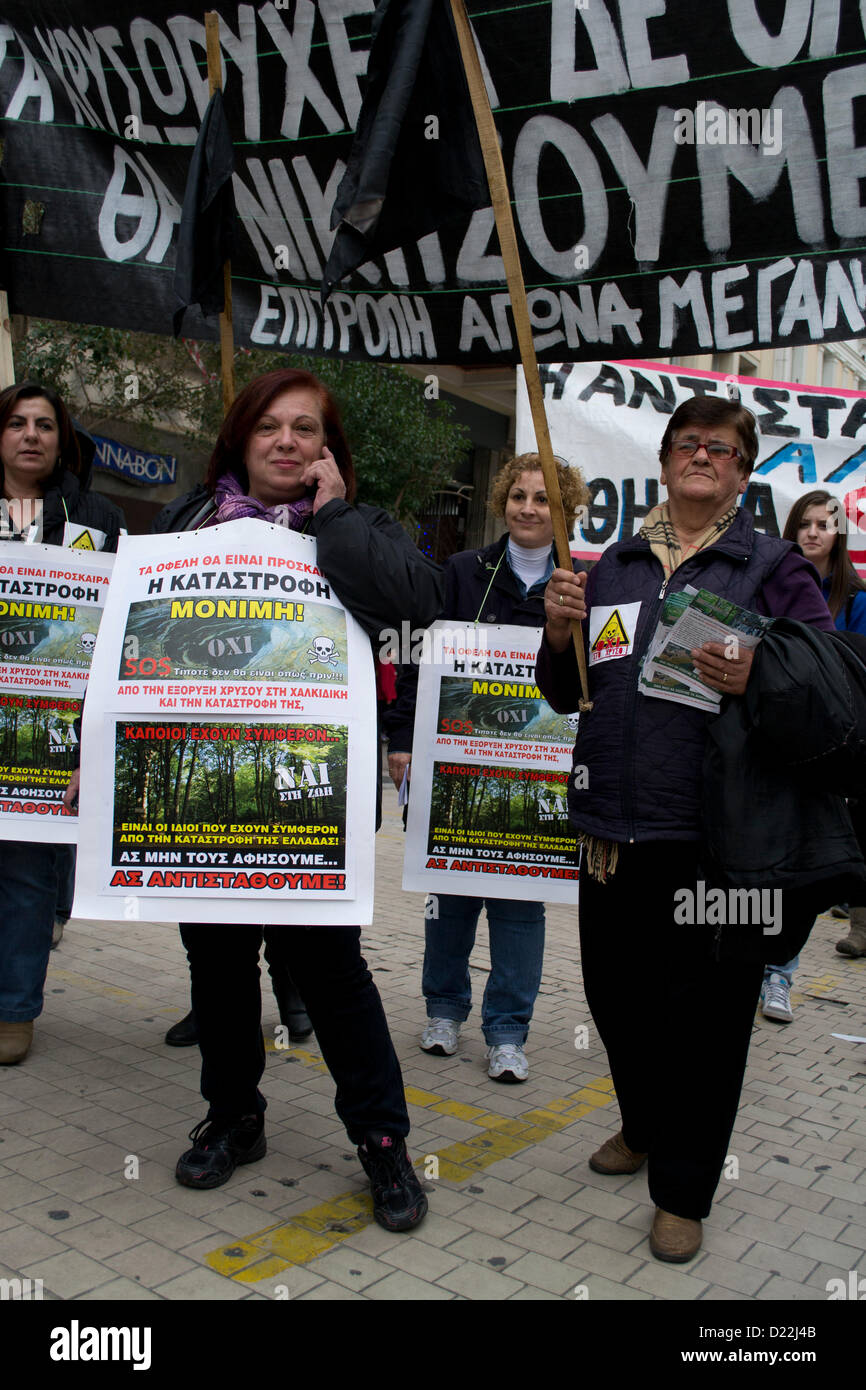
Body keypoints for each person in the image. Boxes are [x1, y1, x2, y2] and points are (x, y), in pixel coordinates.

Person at [536, 396, 835, 1263]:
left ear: (743, 472)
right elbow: (566, 693)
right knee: (617, 1003)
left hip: (720, 848)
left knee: (708, 1024)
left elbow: (821, 679)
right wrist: (560, 637)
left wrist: (759, 670)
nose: (703, 455)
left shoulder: (771, 565)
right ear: (666, 461)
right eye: (689, 444)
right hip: (611, 832)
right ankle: (641, 1125)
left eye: (723, 447)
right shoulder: (612, 565)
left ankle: (684, 1188)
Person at [148, 367, 442, 1232]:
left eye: (305, 429)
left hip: (315, 791)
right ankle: (235, 1116)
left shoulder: (358, 524)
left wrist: (337, 516)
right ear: (239, 439)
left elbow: (416, 608)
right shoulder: (187, 523)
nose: (285, 442)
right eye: (269, 426)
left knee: (331, 973)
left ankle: (383, 1144)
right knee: (219, 967)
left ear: (327, 450)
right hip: (205, 786)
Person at [387, 454, 586, 1083]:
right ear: (502, 501)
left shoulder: (583, 585)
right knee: (450, 898)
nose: (528, 509)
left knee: (521, 907)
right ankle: (444, 1010)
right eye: (518, 496)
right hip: (456, 767)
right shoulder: (463, 572)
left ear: (566, 512)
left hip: (540, 775)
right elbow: (417, 655)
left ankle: (507, 1031)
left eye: (543, 500)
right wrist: (402, 737)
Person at [0, 381, 123, 1065]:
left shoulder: (96, 517)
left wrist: (94, 737)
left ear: (62, 437)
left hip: (53, 731)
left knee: (24, 874)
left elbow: (116, 628)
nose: (31, 436)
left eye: (45, 424)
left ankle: (14, 1011)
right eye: (16, 423)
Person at [781, 490, 866, 962]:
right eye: (805, 524)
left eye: (824, 525)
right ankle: (774, 967)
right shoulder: (771, 581)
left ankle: (858, 921)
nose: (813, 533)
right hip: (781, 735)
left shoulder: (856, 599)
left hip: (836, 740)